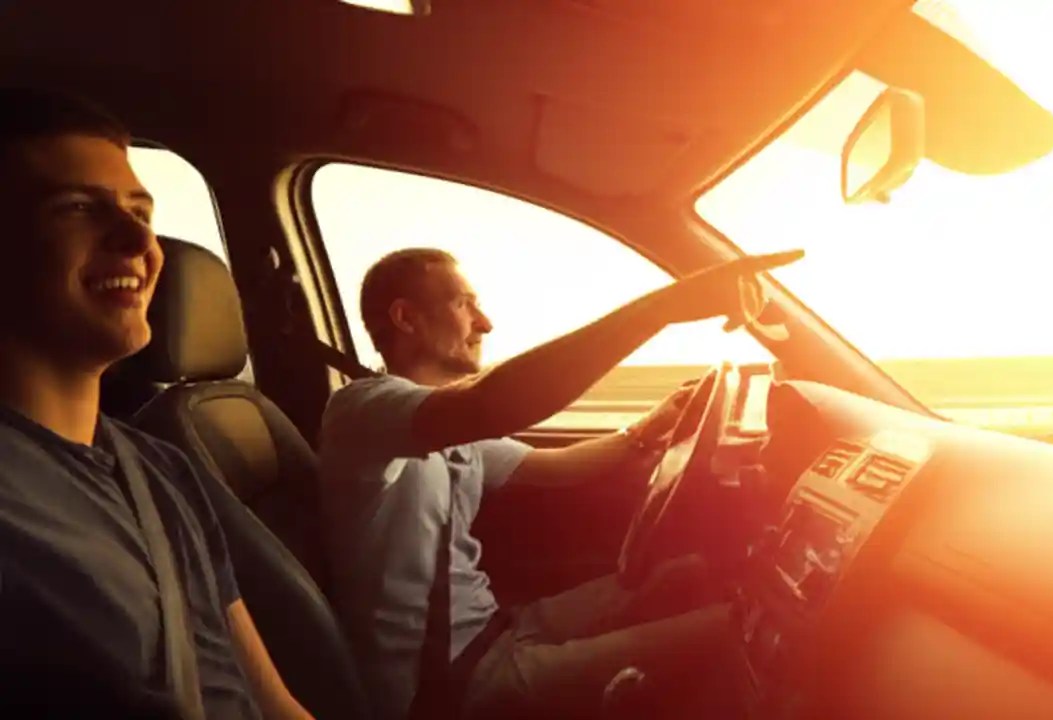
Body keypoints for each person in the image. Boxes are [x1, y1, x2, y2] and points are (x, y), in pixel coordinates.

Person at [319, 245, 801, 719]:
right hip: (445, 684)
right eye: (464, 304)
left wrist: (654, 425)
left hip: (496, 628)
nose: (484, 322)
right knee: (738, 630)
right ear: (406, 318)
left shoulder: (445, 427)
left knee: (691, 573)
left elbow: (561, 466)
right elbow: (495, 402)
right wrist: (664, 308)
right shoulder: (365, 412)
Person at [0, 87, 312, 719]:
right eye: (79, 207)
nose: (138, 238)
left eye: (142, 210)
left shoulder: (161, 468)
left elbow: (272, 702)